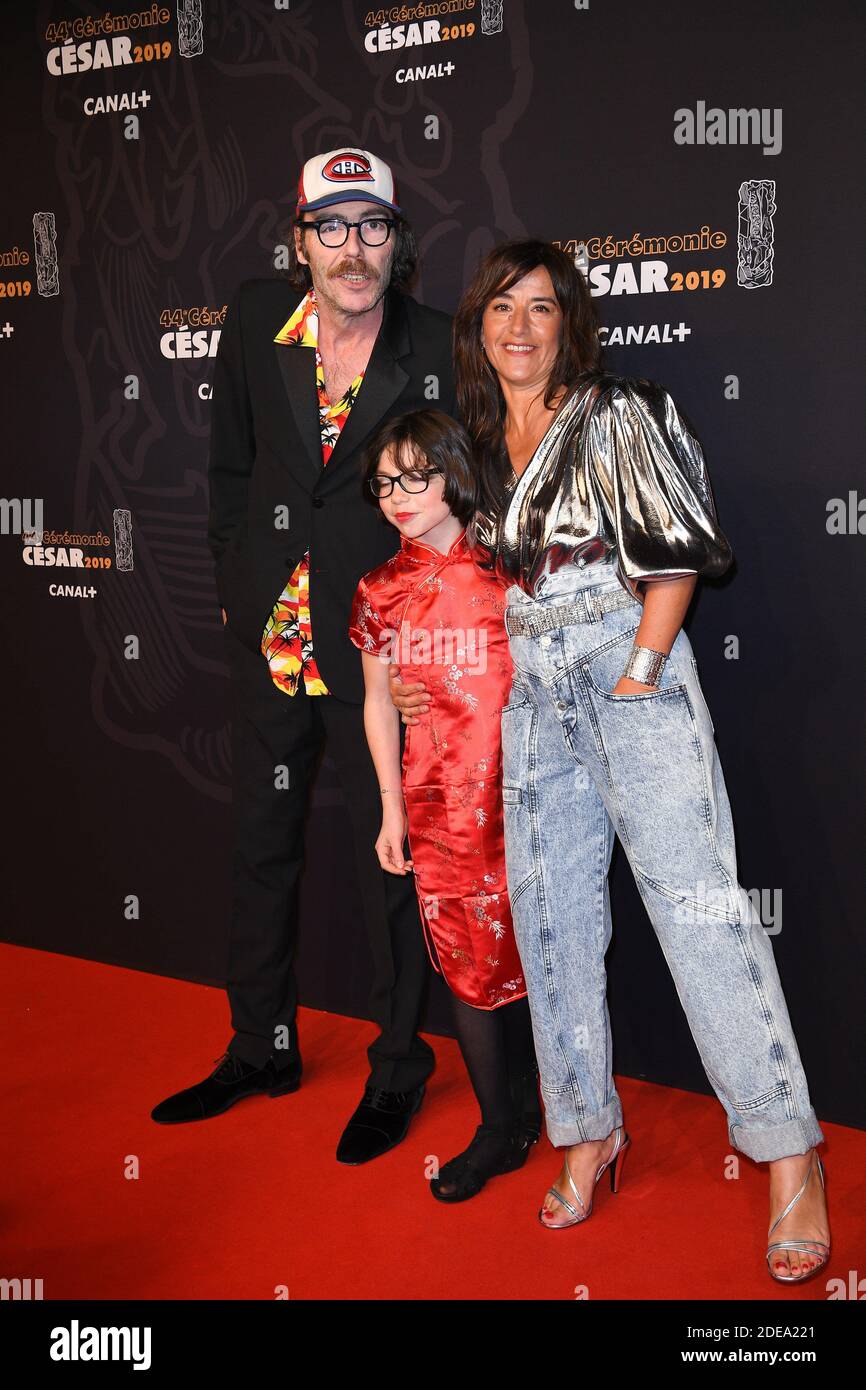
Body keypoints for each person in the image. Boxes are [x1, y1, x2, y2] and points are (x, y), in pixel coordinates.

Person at [389, 239, 830, 1283]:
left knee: (701, 914)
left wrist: (638, 668)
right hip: (531, 690)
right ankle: (586, 1130)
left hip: (621, 663)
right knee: (550, 921)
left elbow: (674, 547)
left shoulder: (614, 410)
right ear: (477, 327)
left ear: (568, 325)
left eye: (541, 308)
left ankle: (786, 1153)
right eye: (501, 307)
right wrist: (421, 679)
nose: (519, 327)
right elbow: (458, 578)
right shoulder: (482, 438)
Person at [152, 148, 458, 1166]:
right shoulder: (252, 323)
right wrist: (237, 584)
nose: (352, 248)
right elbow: (229, 466)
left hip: (375, 649)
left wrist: (424, 620)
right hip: (271, 633)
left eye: (372, 225)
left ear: (395, 239)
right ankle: (260, 1048)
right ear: (300, 242)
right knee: (259, 845)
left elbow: (459, 498)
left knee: (388, 864)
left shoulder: (437, 343)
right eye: (330, 226)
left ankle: (393, 1073)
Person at [347, 409, 542, 1201]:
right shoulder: (377, 590)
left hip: (530, 803)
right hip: (440, 816)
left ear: (454, 471)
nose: (398, 495)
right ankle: (498, 1127)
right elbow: (373, 704)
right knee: (467, 975)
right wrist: (392, 811)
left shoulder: (513, 567)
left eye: (415, 476)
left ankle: (559, 1116)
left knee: (547, 966)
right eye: (384, 482)